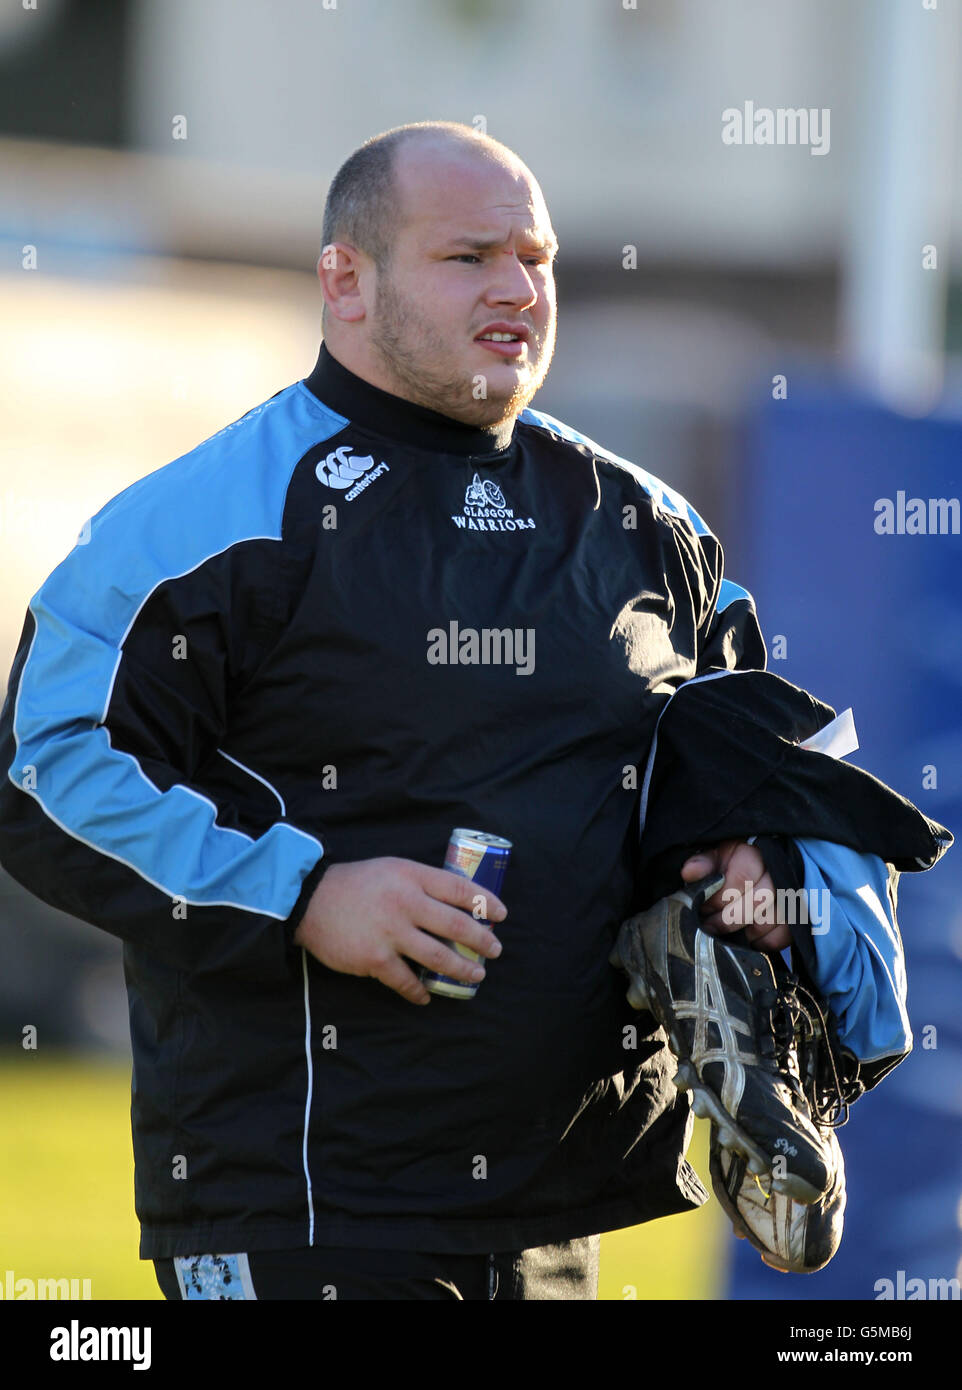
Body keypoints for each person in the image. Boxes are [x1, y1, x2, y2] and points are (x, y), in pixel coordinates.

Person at [0, 121, 943, 1301]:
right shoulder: (205, 522)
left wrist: (749, 878)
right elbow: (44, 770)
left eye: (536, 258)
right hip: (298, 1206)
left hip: (562, 1209)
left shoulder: (646, 528)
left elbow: (758, 771)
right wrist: (303, 894)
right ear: (345, 277)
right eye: (468, 258)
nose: (516, 290)